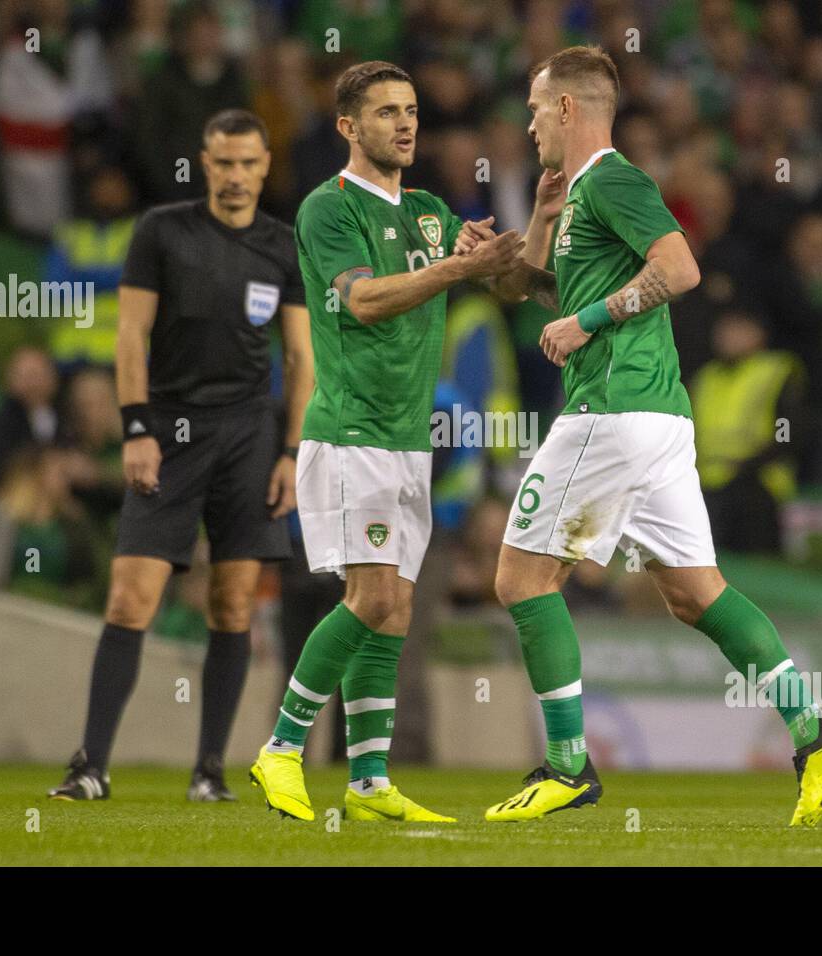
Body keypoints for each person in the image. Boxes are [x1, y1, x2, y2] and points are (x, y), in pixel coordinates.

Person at [474, 46, 822, 826]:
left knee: (521, 580)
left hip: (611, 414)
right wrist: (533, 226)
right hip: (658, 420)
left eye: (536, 107)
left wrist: (588, 320)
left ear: (568, 108)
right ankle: (813, 729)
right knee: (694, 594)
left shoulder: (614, 180)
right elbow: (533, 291)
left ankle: (569, 765)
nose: (529, 122)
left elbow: (680, 268)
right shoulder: (574, 196)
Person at [247, 60, 523, 824]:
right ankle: (281, 748)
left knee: (395, 608)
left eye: (410, 111)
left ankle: (369, 782)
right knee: (370, 598)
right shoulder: (327, 209)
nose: (404, 124)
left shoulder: (431, 211)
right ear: (348, 126)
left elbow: (492, 280)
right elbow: (365, 300)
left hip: (408, 444)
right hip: (352, 434)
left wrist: (515, 239)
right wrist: (454, 268)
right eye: (385, 112)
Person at [49, 109, 313, 802]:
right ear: (204, 163)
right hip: (169, 430)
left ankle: (209, 772)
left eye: (248, 163)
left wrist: (292, 452)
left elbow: (300, 358)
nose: (235, 175)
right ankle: (90, 766)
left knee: (232, 603)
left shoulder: (284, 246)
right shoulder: (161, 231)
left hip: (250, 434)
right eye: (223, 162)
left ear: (265, 167)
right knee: (130, 595)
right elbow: (130, 337)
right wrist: (136, 428)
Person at [691, 311, 805, 554]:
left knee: (749, 559)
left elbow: (787, 431)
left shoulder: (776, 371)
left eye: (738, 329)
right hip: (704, 483)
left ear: (758, 335)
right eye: (723, 329)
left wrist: (752, 464)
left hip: (758, 485)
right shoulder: (706, 376)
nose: (727, 337)